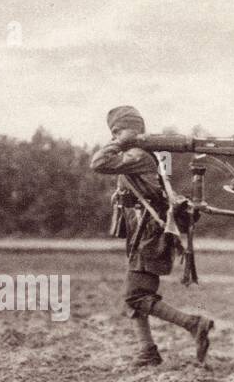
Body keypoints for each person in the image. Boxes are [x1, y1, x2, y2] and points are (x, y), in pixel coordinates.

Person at [89, 105, 213, 367]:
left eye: (118, 131)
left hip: (149, 233)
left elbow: (98, 163)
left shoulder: (138, 154)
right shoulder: (141, 154)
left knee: (135, 295)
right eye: (113, 132)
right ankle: (147, 351)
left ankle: (193, 324)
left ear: (135, 130)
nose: (114, 136)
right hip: (141, 232)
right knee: (136, 292)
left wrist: (120, 143)